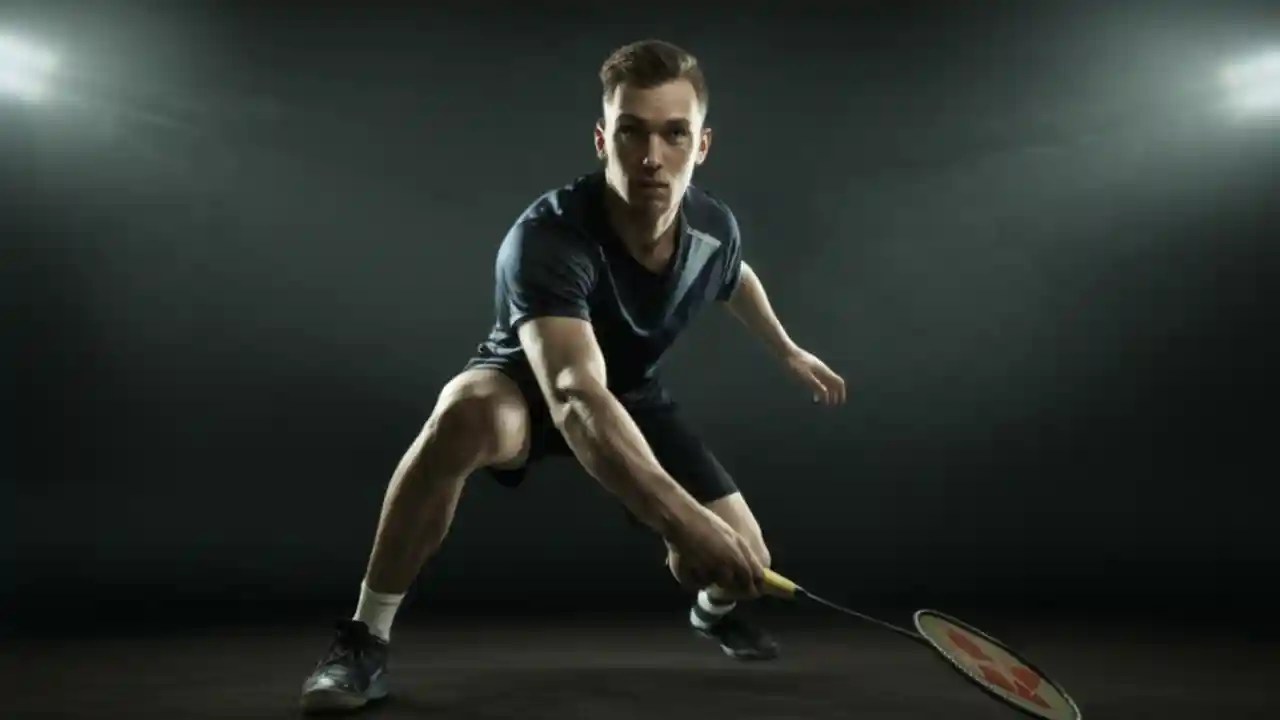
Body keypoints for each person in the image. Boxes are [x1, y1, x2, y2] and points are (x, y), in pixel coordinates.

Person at [299, 38, 847, 713]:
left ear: (701, 146)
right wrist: (679, 520)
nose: (652, 157)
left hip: (633, 394)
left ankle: (711, 613)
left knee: (745, 558)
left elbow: (734, 277)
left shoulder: (713, 226)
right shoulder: (549, 236)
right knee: (461, 415)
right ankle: (363, 641)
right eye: (631, 132)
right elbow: (573, 394)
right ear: (602, 138)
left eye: (675, 135)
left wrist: (788, 350)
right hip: (529, 388)